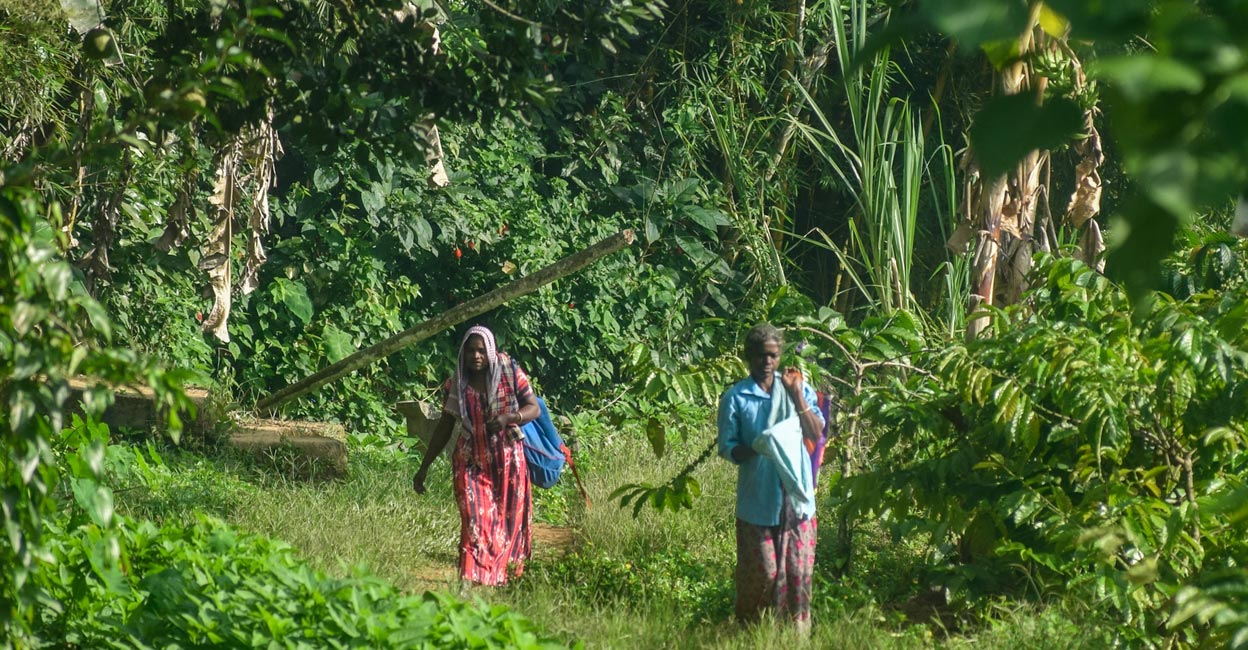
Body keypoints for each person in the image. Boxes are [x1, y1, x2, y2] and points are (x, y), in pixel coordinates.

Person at [412, 325, 541, 586]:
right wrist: (424, 466)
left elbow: (533, 408)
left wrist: (509, 418)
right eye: (471, 351)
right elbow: (445, 426)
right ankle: (473, 579)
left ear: (490, 352)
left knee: (508, 524)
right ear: (463, 353)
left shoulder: (509, 372)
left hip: (508, 461)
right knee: (474, 518)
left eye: (481, 351)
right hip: (471, 461)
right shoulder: (456, 384)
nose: (476, 356)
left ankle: (500, 578)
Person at [717, 323, 825, 633]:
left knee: (797, 575)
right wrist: (758, 448)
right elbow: (728, 448)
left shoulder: (796, 388)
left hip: (797, 503)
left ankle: (795, 638)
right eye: (761, 356)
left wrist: (796, 394)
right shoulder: (737, 398)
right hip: (758, 504)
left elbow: (816, 433)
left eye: (773, 356)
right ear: (749, 357)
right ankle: (750, 630)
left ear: (780, 357)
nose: (767, 362)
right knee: (762, 573)